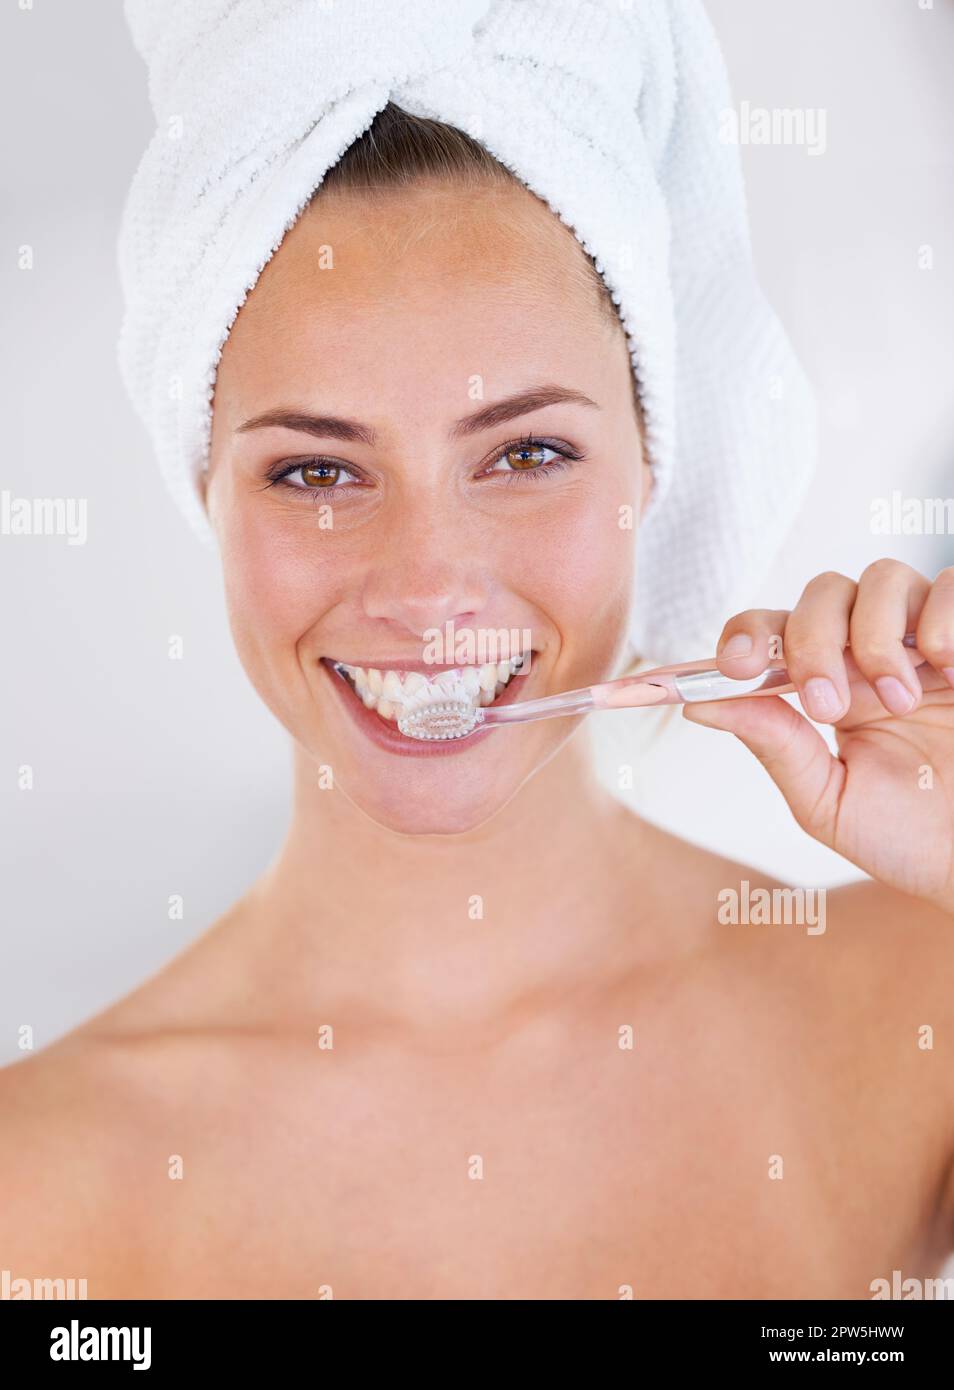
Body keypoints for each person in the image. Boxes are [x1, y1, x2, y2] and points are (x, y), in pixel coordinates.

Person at [4, 85, 954, 1303]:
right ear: (210, 499)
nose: (426, 587)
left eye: (525, 453)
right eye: (314, 470)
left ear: (652, 462)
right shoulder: (30, 1190)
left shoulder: (914, 1009)